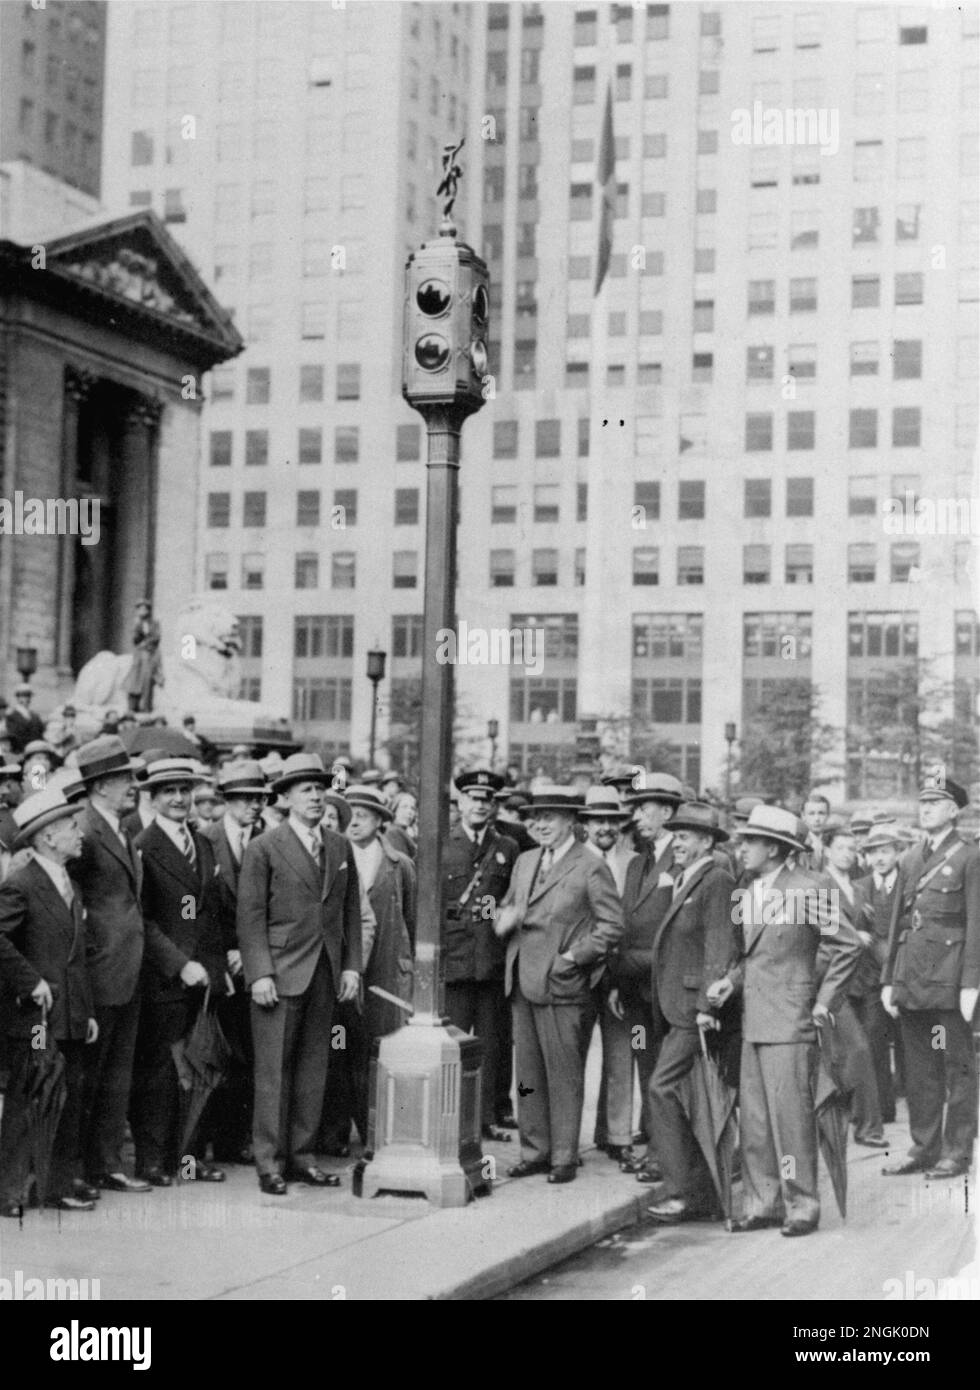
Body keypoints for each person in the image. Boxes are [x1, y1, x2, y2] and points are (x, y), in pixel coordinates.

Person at [709, 805, 861, 1237]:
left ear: (774, 848)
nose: (741, 849)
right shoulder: (749, 890)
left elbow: (848, 945)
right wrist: (730, 983)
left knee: (791, 1118)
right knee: (756, 1119)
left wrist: (825, 1002)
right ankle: (764, 1202)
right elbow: (752, 956)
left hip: (791, 1019)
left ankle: (802, 1205)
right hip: (754, 1016)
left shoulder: (809, 889)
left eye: (749, 842)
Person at [237, 753, 362, 1195]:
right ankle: (270, 1162)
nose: (315, 796)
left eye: (320, 788)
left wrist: (351, 966)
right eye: (305, 789)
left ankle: (302, 1157)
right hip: (280, 973)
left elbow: (348, 912)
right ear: (285, 797)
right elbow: (250, 917)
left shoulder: (339, 846)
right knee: (273, 1072)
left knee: (314, 1069)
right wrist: (259, 974)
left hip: (325, 972)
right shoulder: (264, 848)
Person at [495, 787, 623, 1184]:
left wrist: (574, 958)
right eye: (534, 817)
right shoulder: (526, 860)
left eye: (549, 817)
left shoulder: (589, 865)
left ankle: (564, 1157)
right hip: (521, 980)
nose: (539, 824)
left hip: (563, 984)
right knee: (529, 1075)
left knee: (563, 1073)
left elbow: (612, 926)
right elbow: (510, 906)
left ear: (571, 821)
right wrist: (503, 917)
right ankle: (535, 1151)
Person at [71, 735, 177, 1195]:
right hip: (99, 971)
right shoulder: (86, 830)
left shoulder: (118, 827)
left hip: (126, 971)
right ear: (98, 786)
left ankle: (107, 1163)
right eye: (122, 780)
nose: (133, 787)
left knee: (116, 1075)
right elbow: (68, 899)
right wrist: (90, 951)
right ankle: (76, 1167)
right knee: (90, 1077)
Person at [0, 787, 98, 1217]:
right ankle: (10, 1192)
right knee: (29, 1098)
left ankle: (53, 1186)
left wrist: (88, 1011)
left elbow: (78, 955)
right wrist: (30, 981)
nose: (80, 834)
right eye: (72, 827)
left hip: (70, 1012)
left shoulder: (68, 882)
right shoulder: (21, 884)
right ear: (47, 838)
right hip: (35, 1016)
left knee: (65, 1097)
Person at [130, 758, 225, 1185]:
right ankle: (152, 1160)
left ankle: (188, 1158)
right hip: (164, 978)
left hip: (202, 981)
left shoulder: (203, 844)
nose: (179, 799)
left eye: (185, 790)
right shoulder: (143, 847)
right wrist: (179, 964)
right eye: (168, 791)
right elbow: (142, 920)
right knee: (160, 1073)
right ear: (152, 797)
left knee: (200, 1064)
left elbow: (211, 914)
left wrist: (215, 967)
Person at [881, 776, 979, 1180]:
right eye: (922, 802)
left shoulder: (970, 857)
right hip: (913, 978)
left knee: (956, 1068)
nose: (926, 809)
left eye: (936, 802)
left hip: (949, 979)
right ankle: (924, 1146)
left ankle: (956, 1151)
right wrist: (890, 978)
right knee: (919, 1071)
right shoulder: (909, 859)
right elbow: (897, 924)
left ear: (954, 810)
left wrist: (971, 982)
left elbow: (977, 922)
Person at [643, 803, 737, 1224]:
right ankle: (702, 1190)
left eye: (684, 836)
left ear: (706, 841)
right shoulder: (690, 878)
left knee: (663, 1090)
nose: (676, 842)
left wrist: (706, 1007)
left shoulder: (716, 879)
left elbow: (720, 944)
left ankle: (683, 1191)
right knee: (688, 1096)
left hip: (691, 1009)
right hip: (677, 1006)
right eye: (675, 836)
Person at [322, 785, 416, 1150]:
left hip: (386, 977)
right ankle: (335, 1133)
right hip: (345, 975)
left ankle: (377, 1130)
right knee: (339, 1048)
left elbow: (411, 918)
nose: (355, 821)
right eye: (351, 814)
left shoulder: (400, 864)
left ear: (381, 821)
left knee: (380, 1052)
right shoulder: (334, 858)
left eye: (364, 814)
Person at [608, 771, 684, 1179]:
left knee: (667, 1074)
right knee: (646, 1065)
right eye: (634, 807)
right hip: (636, 993)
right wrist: (618, 984)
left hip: (667, 991)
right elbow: (624, 922)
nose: (635, 815)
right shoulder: (639, 862)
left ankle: (665, 1153)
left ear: (668, 811)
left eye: (643, 807)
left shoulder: (684, 859)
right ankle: (655, 1146)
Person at [442, 769, 520, 1140]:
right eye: (473, 798)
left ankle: (486, 1116)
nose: (480, 805)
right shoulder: (442, 843)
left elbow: (507, 901)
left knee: (491, 1044)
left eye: (486, 799)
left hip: (491, 961)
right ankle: (454, 1116)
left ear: (494, 805)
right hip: (454, 961)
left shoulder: (506, 848)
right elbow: (431, 907)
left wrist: (500, 917)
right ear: (459, 802)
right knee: (454, 1043)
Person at [201, 760, 269, 1164]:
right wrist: (222, 952)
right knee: (216, 1054)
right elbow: (196, 907)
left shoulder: (273, 840)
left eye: (259, 798)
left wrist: (252, 953)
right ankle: (205, 1141)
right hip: (219, 964)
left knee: (252, 1056)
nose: (253, 806)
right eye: (245, 799)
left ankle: (235, 1140)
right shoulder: (205, 841)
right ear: (227, 801)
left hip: (258, 964)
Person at [578, 786, 639, 1165]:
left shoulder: (634, 862)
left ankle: (617, 1135)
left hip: (621, 973)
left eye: (612, 821)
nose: (605, 827)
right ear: (585, 824)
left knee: (621, 1055)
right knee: (574, 1055)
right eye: (597, 820)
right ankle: (570, 1140)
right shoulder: (572, 859)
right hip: (581, 972)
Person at [818, 826, 886, 1148]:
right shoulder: (818, 885)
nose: (848, 853)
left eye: (852, 848)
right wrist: (852, 939)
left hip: (863, 979)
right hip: (832, 981)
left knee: (861, 1050)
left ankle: (854, 1119)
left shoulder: (859, 888)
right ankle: (868, 1128)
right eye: (841, 847)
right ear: (827, 850)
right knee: (855, 1049)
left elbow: (871, 929)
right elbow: (816, 938)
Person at [854, 822, 906, 1125]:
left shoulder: (909, 883)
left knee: (912, 1042)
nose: (880, 858)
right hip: (871, 977)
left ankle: (914, 1095)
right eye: (874, 853)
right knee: (873, 1040)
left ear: (897, 853)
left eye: (886, 851)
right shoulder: (859, 887)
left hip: (905, 975)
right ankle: (882, 1108)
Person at [125, 600, 163, 714]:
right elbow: (135, 639)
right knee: (134, 678)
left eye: (144, 609)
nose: (141, 611)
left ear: (148, 610)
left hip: (150, 652)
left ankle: (146, 706)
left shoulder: (154, 623)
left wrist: (145, 644)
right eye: (139, 609)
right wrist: (137, 627)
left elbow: (156, 637)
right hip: (139, 654)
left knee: (147, 677)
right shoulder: (137, 623)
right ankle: (133, 705)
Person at [5, 685, 44, 755]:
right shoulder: (12, 716)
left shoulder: (34, 716)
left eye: (28, 696)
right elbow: (13, 737)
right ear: (17, 697)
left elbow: (40, 733)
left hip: (35, 751)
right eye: (23, 696)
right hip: (19, 753)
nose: (26, 699)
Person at [797, 791, 831, 872]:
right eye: (811, 814)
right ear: (803, 816)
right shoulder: (798, 844)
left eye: (821, 813)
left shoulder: (832, 843)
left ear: (828, 816)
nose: (817, 819)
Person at [385, 791, 418, 860]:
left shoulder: (404, 832)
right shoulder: (393, 832)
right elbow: (401, 863)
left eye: (412, 808)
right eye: (404, 807)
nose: (409, 812)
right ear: (395, 810)